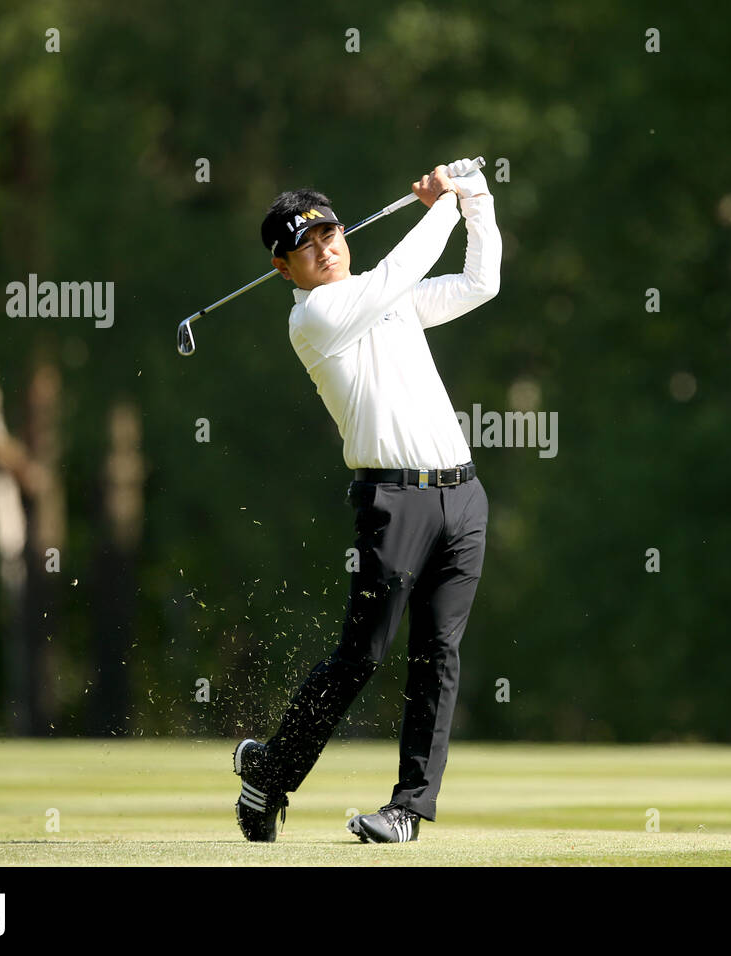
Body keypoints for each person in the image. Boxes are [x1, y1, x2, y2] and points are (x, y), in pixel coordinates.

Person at [232, 159, 501, 843]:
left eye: (330, 234)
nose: (324, 249)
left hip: (463, 497)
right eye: (306, 246)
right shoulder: (316, 316)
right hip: (393, 504)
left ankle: (408, 810)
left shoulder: (386, 299)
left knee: (438, 656)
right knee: (363, 654)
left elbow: (481, 282)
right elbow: (395, 275)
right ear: (283, 267)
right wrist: (439, 204)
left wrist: (476, 200)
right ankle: (272, 773)